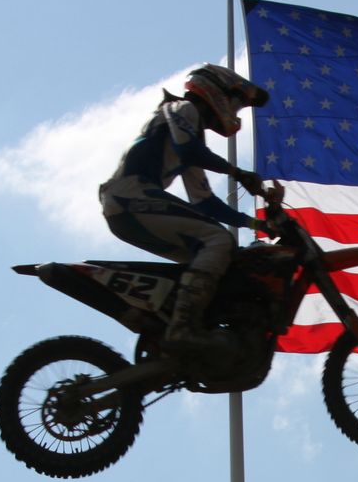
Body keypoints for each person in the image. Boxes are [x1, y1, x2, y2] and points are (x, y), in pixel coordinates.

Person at [99, 64, 269, 355]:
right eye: (237, 103)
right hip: (130, 194)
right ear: (217, 90)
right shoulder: (182, 109)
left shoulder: (187, 133)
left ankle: (175, 326)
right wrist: (237, 172)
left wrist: (255, 224)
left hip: (127, 204)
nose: (236, 111)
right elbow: (190, 152)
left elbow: (204, 201)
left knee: (221, 259)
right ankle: (183, 327)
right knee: (218, 240)